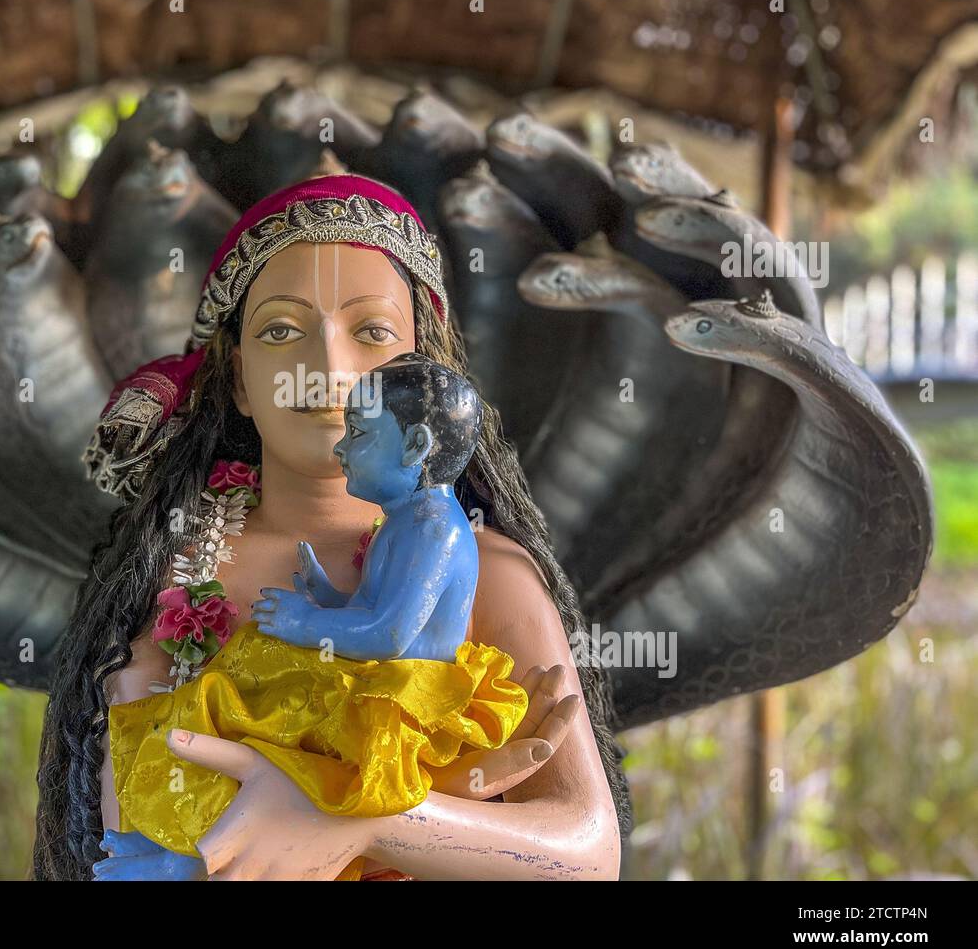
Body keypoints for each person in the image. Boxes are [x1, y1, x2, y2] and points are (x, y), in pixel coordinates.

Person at [33, 173, 632, 881]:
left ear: (424, 374)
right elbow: (121, 828)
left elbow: (588, 850)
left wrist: (364, 816)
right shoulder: (173, 568)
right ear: (239, 383)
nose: (328, 367)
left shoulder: (485, 571)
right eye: (281, 330)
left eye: (372, 332)